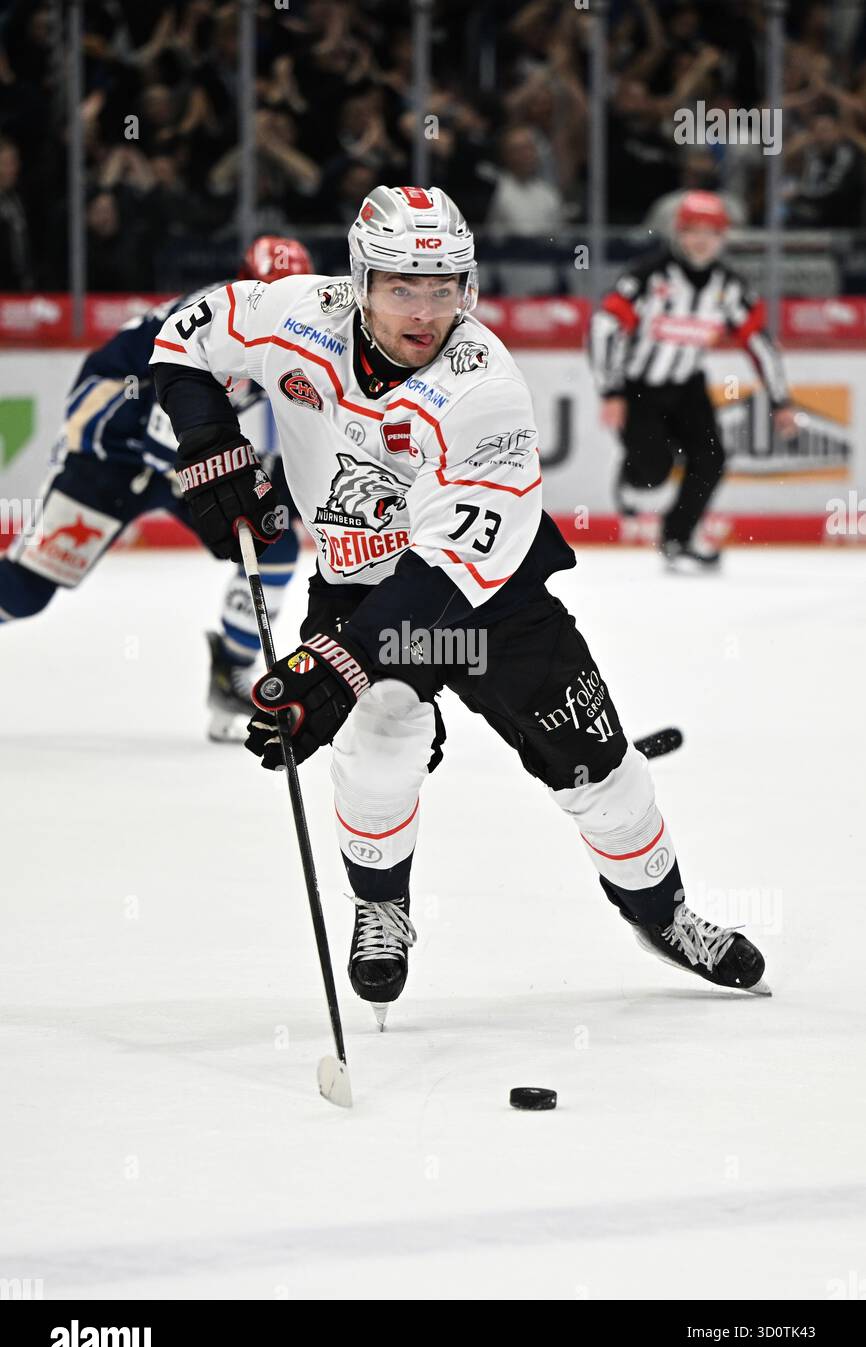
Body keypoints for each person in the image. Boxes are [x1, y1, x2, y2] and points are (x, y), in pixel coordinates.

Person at [150, 184, 771, 1028]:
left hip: (489, 597)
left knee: (601, 770)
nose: (426, 310)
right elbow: (185, 335)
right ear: (360, 282)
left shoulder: (485, 389)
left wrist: (337, 664)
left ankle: (661, 914)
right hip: (359, 583)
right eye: (404, 286)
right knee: (377, 742)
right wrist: (209, 446)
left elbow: (451, 571)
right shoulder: (297, 314)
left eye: (444, 286)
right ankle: (382, 907)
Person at [0, 235, 311, 741]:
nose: (276, 305)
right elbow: (115, 397)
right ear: (242, 283)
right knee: (27, 590)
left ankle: (228, 675)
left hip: (183, 459)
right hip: (112, 456)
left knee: (268, 539)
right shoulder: (212, 319)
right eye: (266, 290)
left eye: (289, 293)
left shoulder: (292, 336)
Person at [590, 190, 797, 571]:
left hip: (687, 386)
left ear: (723, 238)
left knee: (711, 458)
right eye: (693, 231)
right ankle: (632, 473)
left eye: (711, 232)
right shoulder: (648, 277)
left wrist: (781, 401)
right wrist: (611, 391)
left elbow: (759, 344)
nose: (702, 240)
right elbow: (605, 326)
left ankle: (677, 538)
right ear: (678, 233)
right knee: (653, 473)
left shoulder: (730, 287)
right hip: (639, 387)